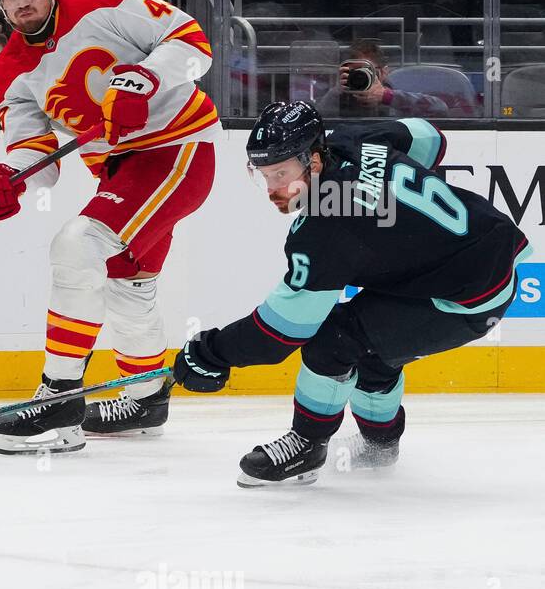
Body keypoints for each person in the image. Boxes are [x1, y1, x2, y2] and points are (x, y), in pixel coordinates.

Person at [174, 101, 533, 486]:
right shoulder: (353, 140)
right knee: (374, 355)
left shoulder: (326, 228)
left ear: (313, 160)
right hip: (475, 254)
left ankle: (307, 444)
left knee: (333, 341)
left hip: (468, 297)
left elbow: (281, 334)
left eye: (282, 173)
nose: (272, 189)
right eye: (264, 174)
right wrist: (403, 221)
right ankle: (381, 448)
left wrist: (211, 352)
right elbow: (431, 139)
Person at [0, 0, 218, 454]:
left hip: (178, 146)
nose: (24, 2)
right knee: (128, 280)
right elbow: (37, 158)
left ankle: (59, 397)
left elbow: (192, 44)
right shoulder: (7, 73)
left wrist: (142, 78)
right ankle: (145, 398)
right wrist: (6, 180)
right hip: (119, 173)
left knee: (77, 246)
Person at [316, 39, 453, 119]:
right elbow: (319, 117)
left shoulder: (397, 99)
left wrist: (386, 97)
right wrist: (338, 90)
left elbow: (440, 109)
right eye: (354, 72)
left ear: (384, 72)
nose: (360, 77)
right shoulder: (339, 98)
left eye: (367, 71)